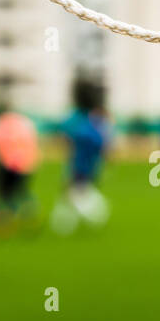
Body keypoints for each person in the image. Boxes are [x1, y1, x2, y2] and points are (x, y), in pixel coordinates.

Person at [51, 84, 112, 235]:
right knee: (71, 193)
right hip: (85, 163)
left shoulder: (80, 122)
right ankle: (63, 225)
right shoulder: (93, 122)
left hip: (81, 164)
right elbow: (101, 143)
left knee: (77, 193)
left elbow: (63, 131)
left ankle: (98, 213)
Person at [0, 107, 40, 234]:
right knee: (19, 191)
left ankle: (6, 221)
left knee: (0, 193)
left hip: (8, 163)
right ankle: (30, 212)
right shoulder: (23, 122)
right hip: (27, 162)